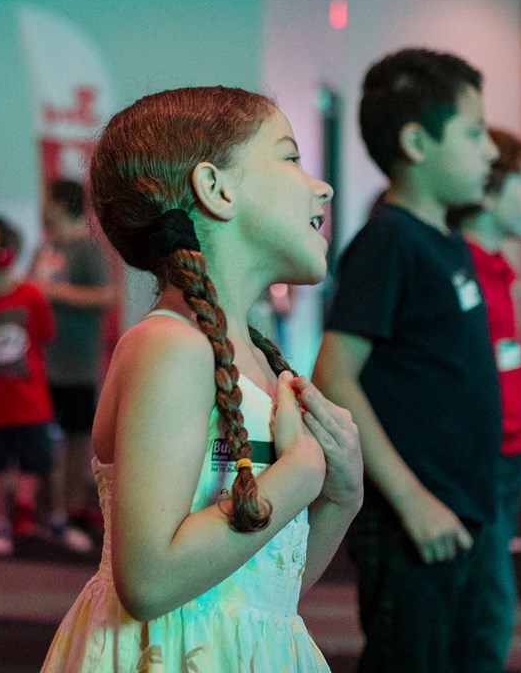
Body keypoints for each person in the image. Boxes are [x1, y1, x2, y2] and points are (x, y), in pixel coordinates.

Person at [41, 87, 360, 672]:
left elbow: (267, 593)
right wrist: (300, 473)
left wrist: (342, 496)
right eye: (290, 157)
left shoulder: (256, 357)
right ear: (216, 188)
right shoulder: (171, 348)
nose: (323, 187)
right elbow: (150, 581)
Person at [312, 48, 504, 673]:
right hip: (411, 521)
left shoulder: (446, 239)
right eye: (474, 133)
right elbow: (334, 376)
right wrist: (412, 500)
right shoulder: (388, 241)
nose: (491, 152)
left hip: (462, 510)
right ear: (417, 142)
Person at [447, 126, 521, 661]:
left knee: (489, 607)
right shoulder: (459, 269)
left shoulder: (497, 269)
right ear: (487, 191)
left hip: (507, 454)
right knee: (486, 617)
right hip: (480, 458)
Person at [0, 218, 87, 556]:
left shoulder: (31, 295)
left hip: (30, 402)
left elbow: (45, 334)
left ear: (5, 253)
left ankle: (56, 521)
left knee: (42, 462)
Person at [33, 179, 115, 533]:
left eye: (47, 200)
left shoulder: (88, 248)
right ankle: (51, 508)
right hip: (43, 360)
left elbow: (106, 296)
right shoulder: (47, 246)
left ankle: (73, 505)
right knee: (45, 438)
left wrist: (54, 291)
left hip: (76, 362)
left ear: (60, 204)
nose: (42, 207)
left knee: (77, 437)